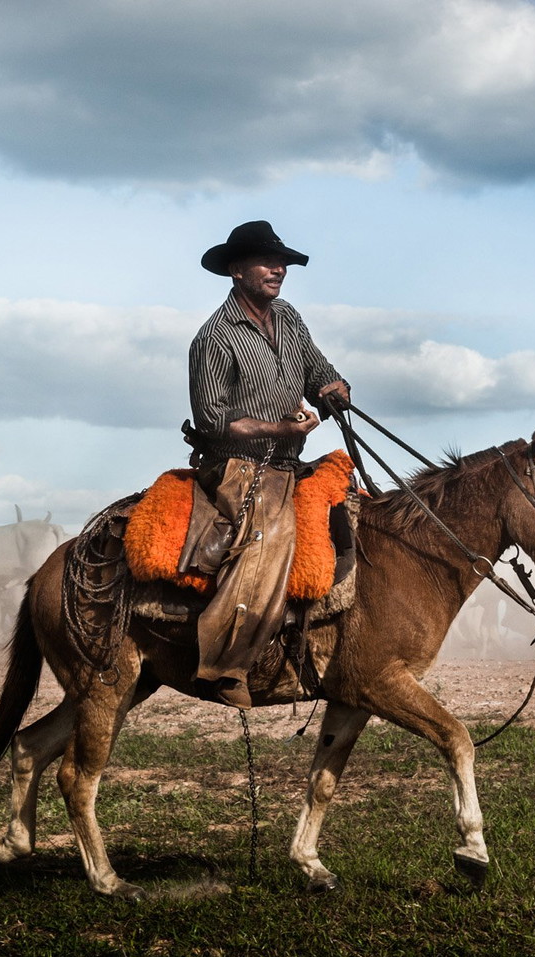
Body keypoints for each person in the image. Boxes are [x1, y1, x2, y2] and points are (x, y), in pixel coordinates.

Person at [185, 220, 351, 709]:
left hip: (288, 463)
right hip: (235, 467)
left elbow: (319, 370)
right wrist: (282, 429)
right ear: (237, 271)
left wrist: (334, 390)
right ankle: (223, 663)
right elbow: (212, 419)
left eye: (282, 262)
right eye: (266, 261)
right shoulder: (214, 337)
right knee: (268, 537)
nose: (279, 269)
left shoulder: (289, 317)